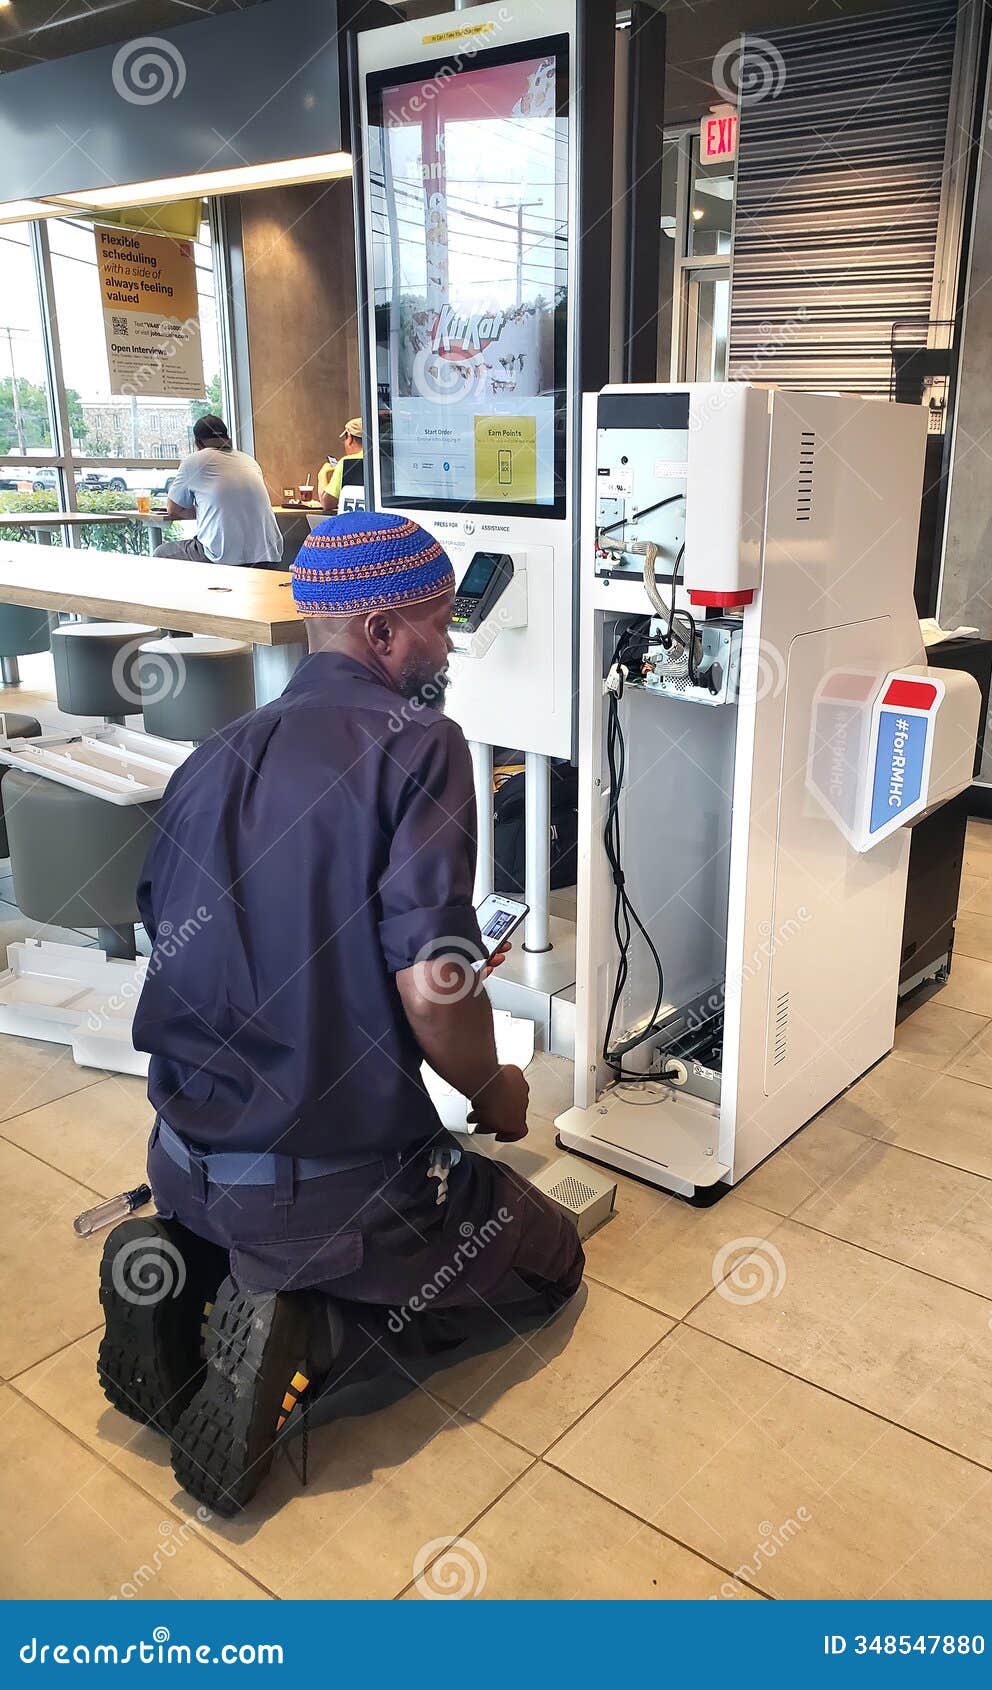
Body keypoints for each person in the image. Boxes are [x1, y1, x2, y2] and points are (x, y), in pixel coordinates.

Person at [98, 510, 583, 1518]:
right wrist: (496, 1092)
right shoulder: (421, 744)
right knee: (544, 1257)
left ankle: (179, 1266)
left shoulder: (212, 757)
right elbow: (432, 991)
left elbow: (186, 931)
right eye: (439, 624)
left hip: (184, 1150)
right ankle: (309, 1329)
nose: (447, 646)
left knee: (242, 1219)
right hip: (322, 1181)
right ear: (379, 632)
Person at [155, 414, 283, 565]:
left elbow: (173, 509)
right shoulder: (249, 460)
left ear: (197, 443)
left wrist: (204, 510)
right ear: (227, 438)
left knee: (161, 554)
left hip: (224, 556)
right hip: (270, 555)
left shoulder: (193, 461)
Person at [318, 416, 365, 512]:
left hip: (352, 522)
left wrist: (322, 474)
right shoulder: (382, 459)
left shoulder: (346, 462)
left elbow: (327, 503)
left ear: (350, 437)